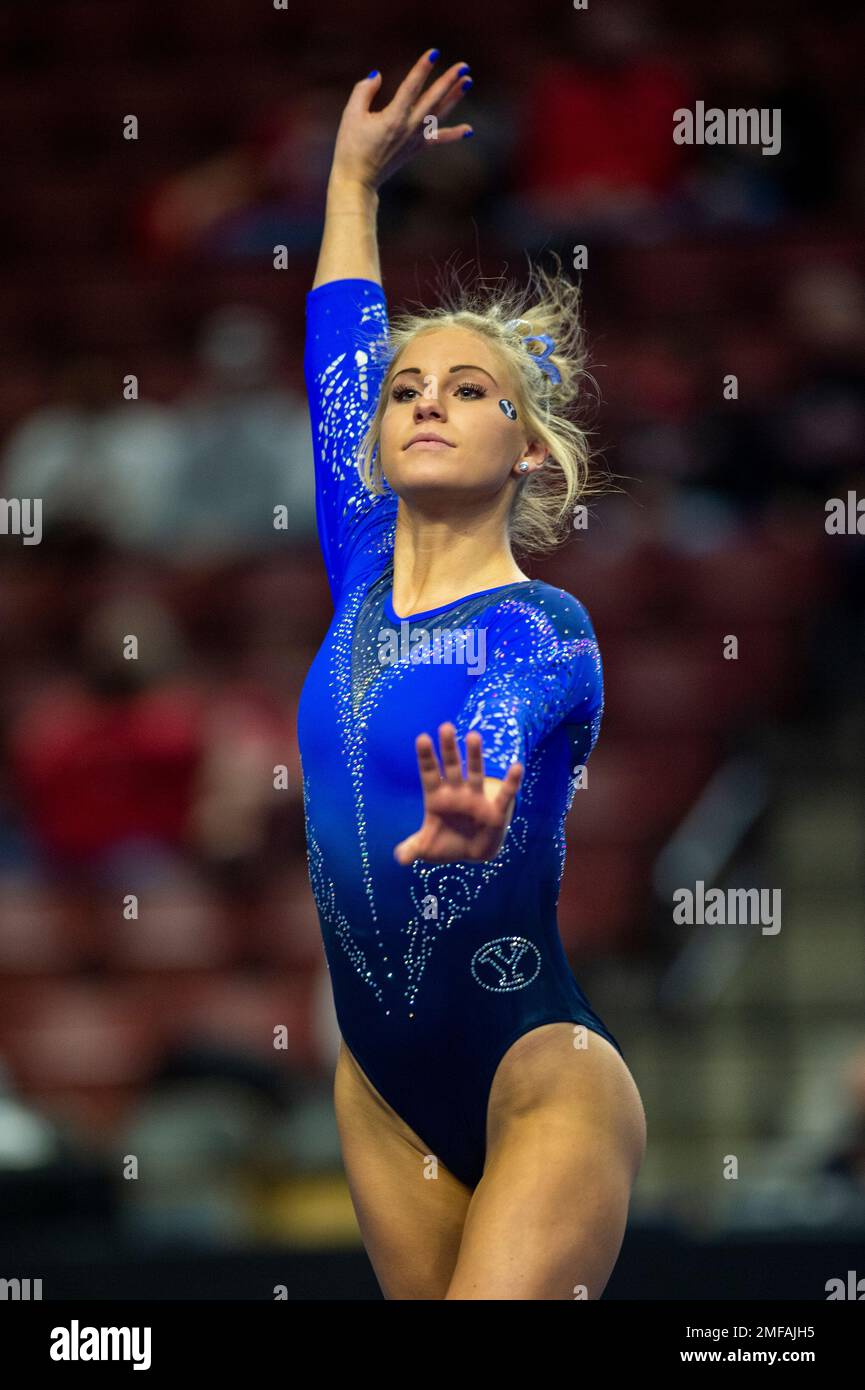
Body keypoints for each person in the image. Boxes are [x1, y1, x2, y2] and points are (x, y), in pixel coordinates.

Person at [298, 49, 646, 1300]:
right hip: (378, 1086)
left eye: (465, 388)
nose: (424, 403)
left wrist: (480, 797)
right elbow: (338, 352)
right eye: (405, 392)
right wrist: (353, 183)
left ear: (527, 447)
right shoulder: (359, 569)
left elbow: (504, 715)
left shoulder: (545, 627)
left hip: (537, 1073)